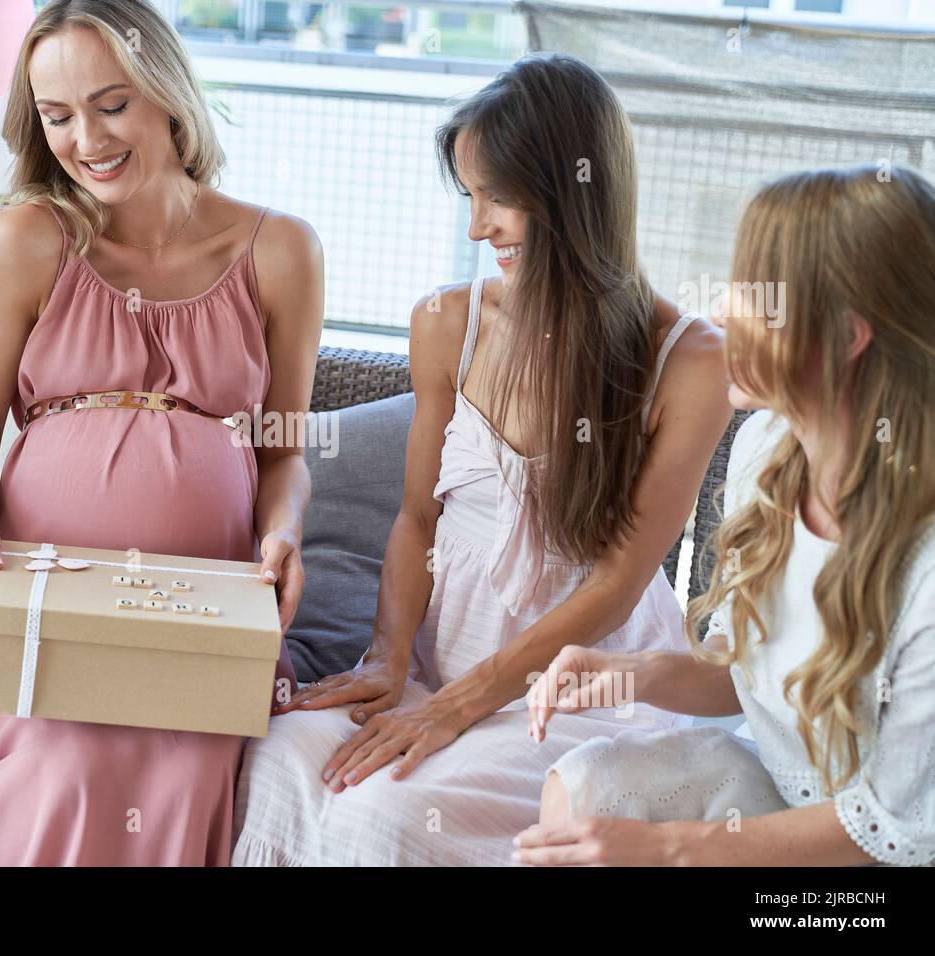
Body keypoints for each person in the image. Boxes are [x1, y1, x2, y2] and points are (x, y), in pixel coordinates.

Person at [232, 53, 730, 865]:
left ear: (574, 192)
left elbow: (617, 582)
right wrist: (390, 660)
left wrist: (459, 707)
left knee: (383, 817)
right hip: (432, 665)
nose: (476, 228)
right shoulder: (444, 323)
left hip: (570, 697)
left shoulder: (687, 361)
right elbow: (417, 518)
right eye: (469, 196)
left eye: (496, 197)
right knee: (275, 760)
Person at [0, 0, 323, 866]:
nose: (85, 139)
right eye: (57, 115)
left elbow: (285, 448)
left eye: (111, 104)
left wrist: (283, 531)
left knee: (186, 777)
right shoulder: (28, 241)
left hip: (197, 617)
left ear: (170, 96)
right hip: (42, 609)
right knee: (64, 765)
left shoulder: (280, 250)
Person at [518, 165, 935, 866]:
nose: (720, 312)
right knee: (587, 784)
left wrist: (671, 848)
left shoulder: (923, 570)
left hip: (875, 864)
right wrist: (635, 673)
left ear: (846, 336)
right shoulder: (766, 450)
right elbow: (741, 677)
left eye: (755, 294)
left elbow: (890, 829)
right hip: (780, 795)